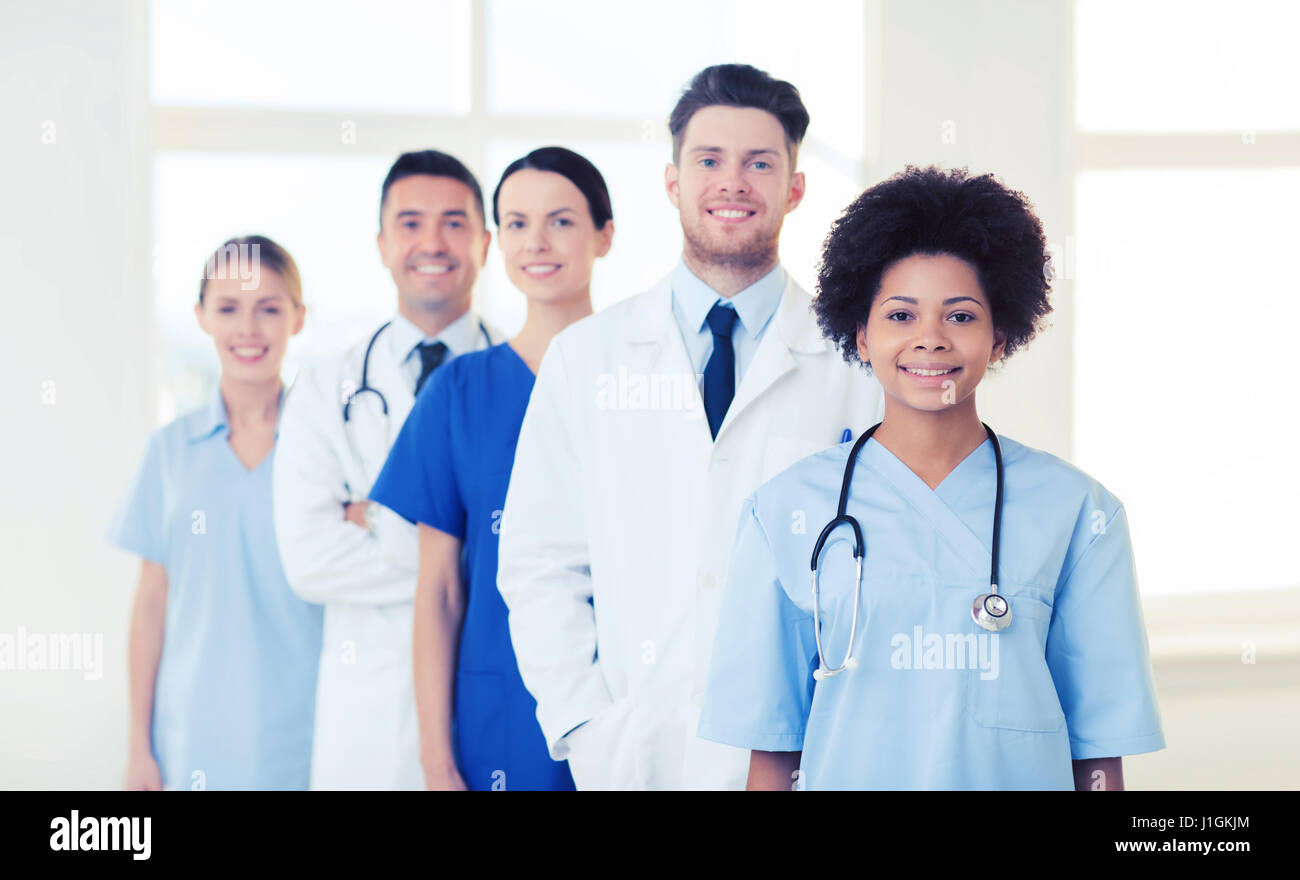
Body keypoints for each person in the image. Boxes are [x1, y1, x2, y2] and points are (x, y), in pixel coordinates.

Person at [697, 165, 1167, 790]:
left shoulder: (1081, 513)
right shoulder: (784, 511)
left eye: (961, 316)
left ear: (1001, 336)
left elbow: (1099, 757)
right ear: (859, 336)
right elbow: (772, 754)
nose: (930, 340)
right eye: (899, 316)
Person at [496, 64, 884, 791]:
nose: (732, 182)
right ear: (672, 182)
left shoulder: (855, 364)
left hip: (804, 759)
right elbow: (539, 564)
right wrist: (587, 729)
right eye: (709, 160)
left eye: (759, 163)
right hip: (634, 756)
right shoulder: (586, 358)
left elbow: (879, 571)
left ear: (795, 188)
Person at [371, 147, 613, 791]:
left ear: (605, 236)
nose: (536, 241)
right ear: (496, 241)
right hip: (499, 712)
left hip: (627, 702)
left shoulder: (642, 383)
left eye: (561, 221)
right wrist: (436, 761)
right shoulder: (457, 391)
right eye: (515, 223)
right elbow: (440, 590)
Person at [272, 151, 503, 790]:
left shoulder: (527, 380)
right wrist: (459, 549)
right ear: (381, 244)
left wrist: (378, 520)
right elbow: (308, 560)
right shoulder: (326, 387)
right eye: (410, 223)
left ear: (485, 242)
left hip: (496, 697)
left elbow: (542, 557)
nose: (432, 241)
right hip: (369, 717)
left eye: (454, 223)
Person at [110, 235, 323, 790]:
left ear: (298, 318)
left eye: (269, 309)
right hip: (192, 740)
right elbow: (151, 606)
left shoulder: (328, 449)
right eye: (228, 308)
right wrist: (138, 748)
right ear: (202, 317)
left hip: (310, 737)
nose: (248, 329)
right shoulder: (171, 452)